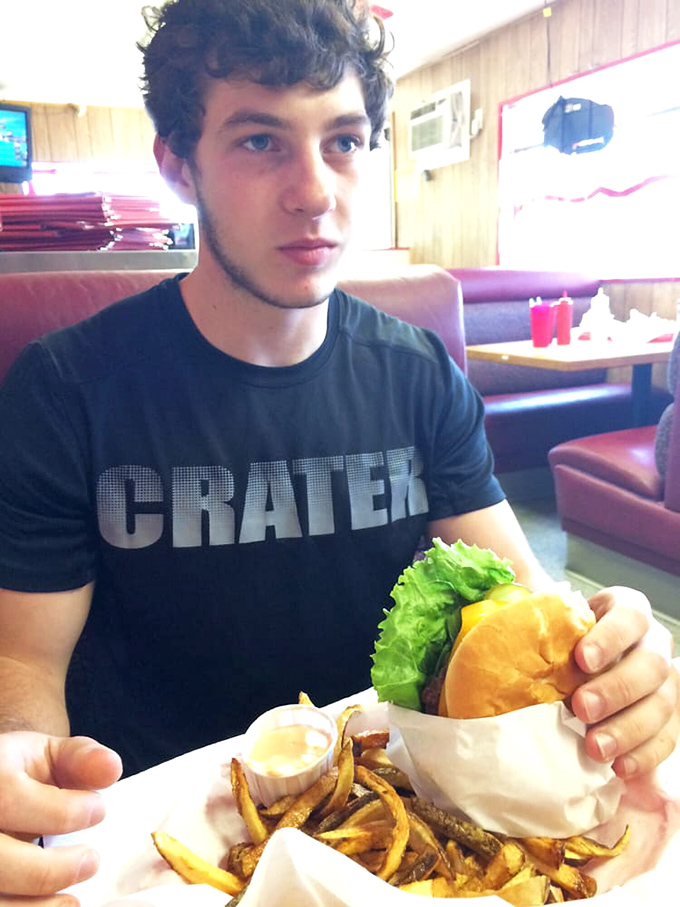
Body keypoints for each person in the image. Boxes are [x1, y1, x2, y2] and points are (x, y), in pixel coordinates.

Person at [0, 0, 677, 901]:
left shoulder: (417, 373)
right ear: (178, 167)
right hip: (163, 849)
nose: (316, 189)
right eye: (259, 142)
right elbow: (23, 665)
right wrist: (16, 763)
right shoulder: (65, 389)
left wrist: (615, 655)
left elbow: (522, 600)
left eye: (345, 141)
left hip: (407, 830)